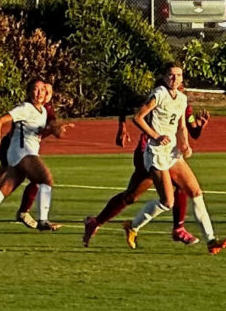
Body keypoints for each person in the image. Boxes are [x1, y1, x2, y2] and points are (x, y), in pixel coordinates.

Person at [83, 64, 214, 249]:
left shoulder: (184, 102)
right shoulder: (158, 94)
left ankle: (186, 231)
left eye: (179, 76)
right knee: (133, 196)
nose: (176, 81)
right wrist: (125, 127)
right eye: (171, 76)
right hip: (150, 152)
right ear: (165, 77)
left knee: (185, 188)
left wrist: (194, 133)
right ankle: (102, 223)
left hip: (170, 152)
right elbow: (134, 112)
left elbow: (189, 129)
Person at [0, 76, 65, 231]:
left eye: (42, 90)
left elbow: (39, 133)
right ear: (29, 92)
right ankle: (43, 220)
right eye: (36, 89)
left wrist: (57, 130)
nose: (40, 93)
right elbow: (2, 119)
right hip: (23, 152)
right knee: (46, 179)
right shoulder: (25, 108)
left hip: (20, 154)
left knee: (3, 190)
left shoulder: (42, 111)